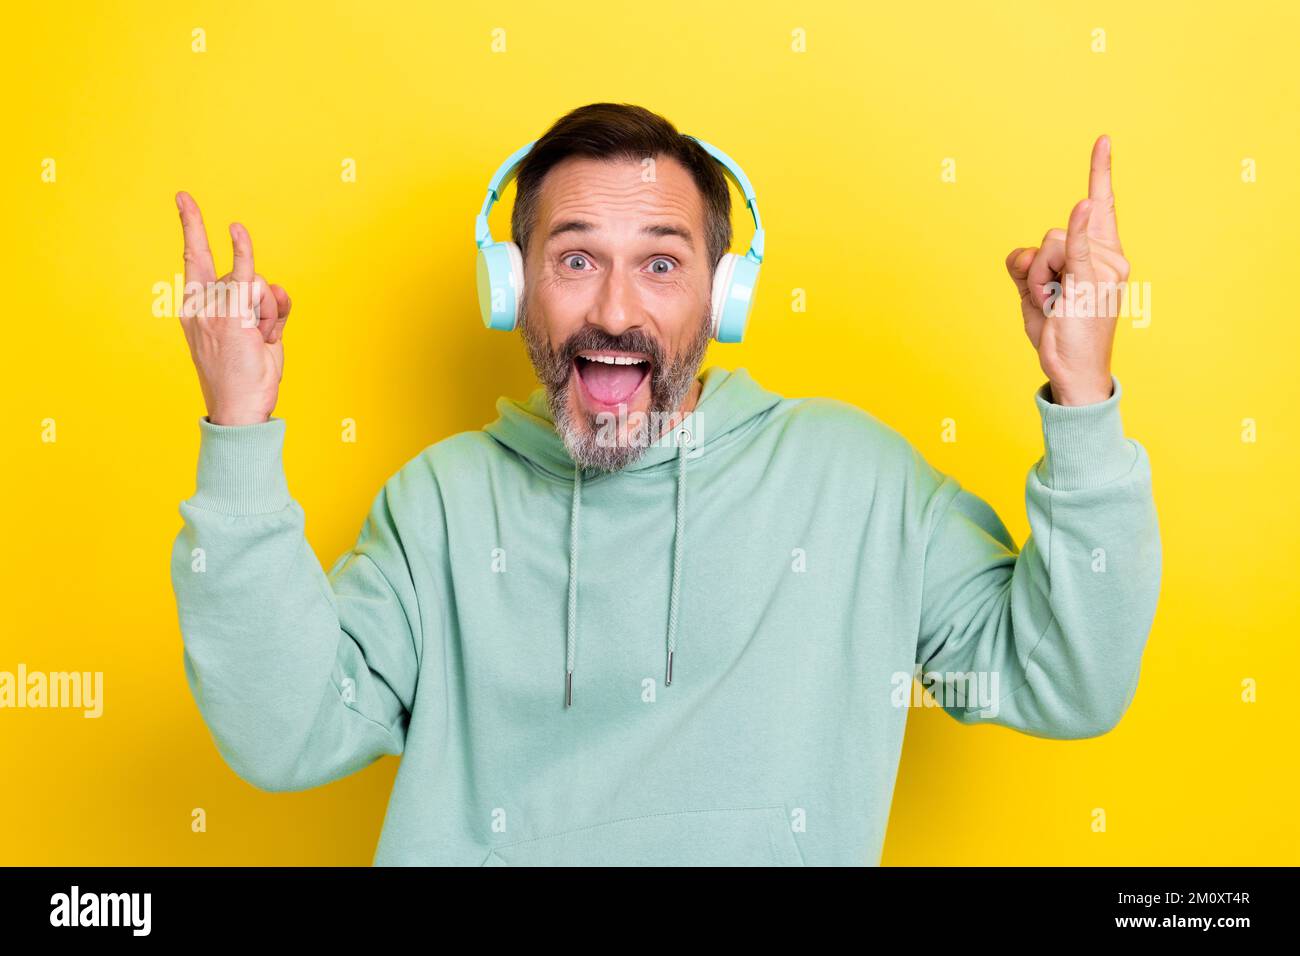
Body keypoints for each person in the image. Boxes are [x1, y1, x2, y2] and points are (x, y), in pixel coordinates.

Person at [169, 102, 1161, 866]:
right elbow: (281, 731)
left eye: (658, 262)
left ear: (722, 296)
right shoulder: (440, 504)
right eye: (574, 259)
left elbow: (1065, 680)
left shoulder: (856, 482)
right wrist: (240, 431)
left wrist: (1081, 395)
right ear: (510, 285)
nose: (613, 308)